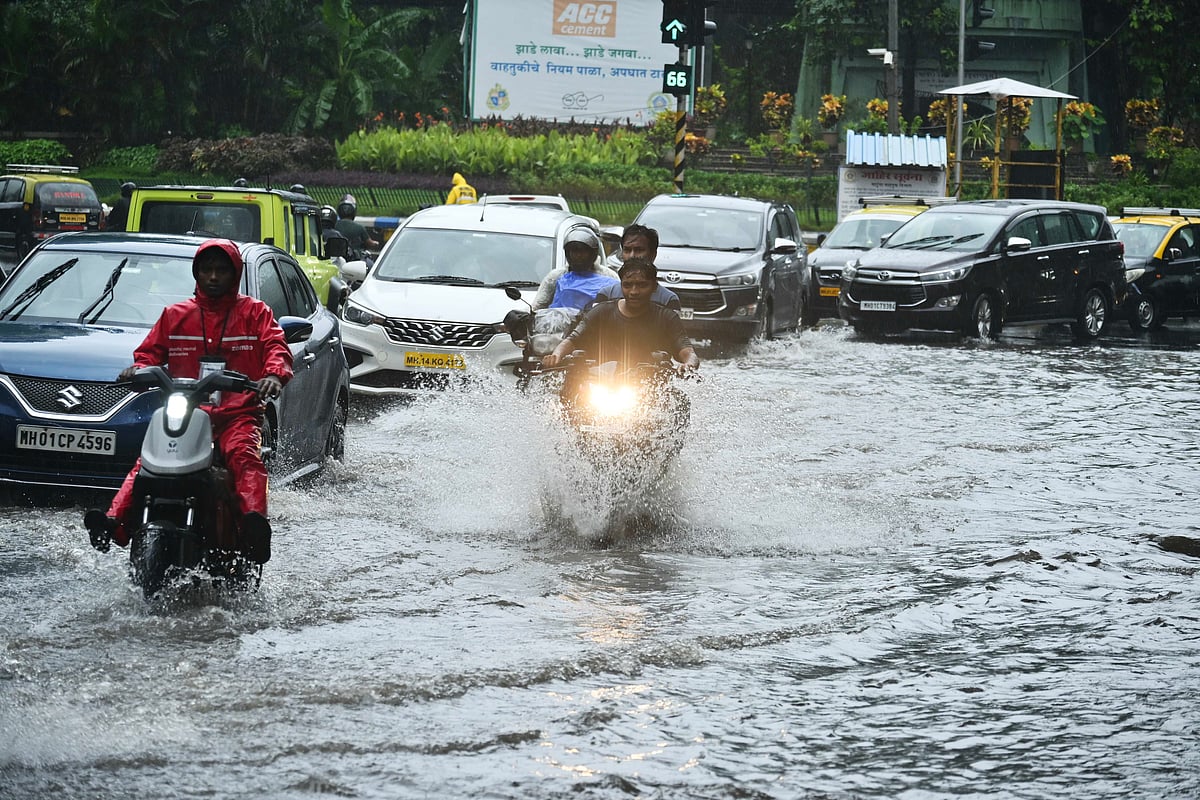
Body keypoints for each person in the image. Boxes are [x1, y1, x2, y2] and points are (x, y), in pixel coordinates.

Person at [84, 239, 293, 564]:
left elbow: (276, 347)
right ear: (196, 273)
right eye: (206, 270)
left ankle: (254, 527)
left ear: (234, 273)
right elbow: (148, 354)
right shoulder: (175, 315)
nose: (213, 277)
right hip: (189, 414)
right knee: (146, 463)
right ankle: (113, 524)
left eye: (221, 270)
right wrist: (138, 370)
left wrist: (274, 375)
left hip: (237, 416)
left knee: (245, 458)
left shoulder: (255, 313)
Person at [542, 258, 699, 375]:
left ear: (654, 287)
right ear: (621, 285)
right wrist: (556, 356)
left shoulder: (667, 317)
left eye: (642, 285)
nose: (634, 291)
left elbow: (688, 352)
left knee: (678, 402)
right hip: (601, 384)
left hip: (649, 387)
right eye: (628, 285)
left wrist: (688, 365)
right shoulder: (601, 312)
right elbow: (571, 340)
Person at [532, 227, 619, 312]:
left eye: (583, 251)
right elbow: (537, 307)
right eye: (574, 251)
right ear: (568, 253)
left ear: (592, 252)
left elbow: (619, 307)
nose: (578, 256)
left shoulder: (609, 276)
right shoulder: (556, 277)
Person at [597, 224, 682, 310]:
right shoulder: (606, 295)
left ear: (653, 254)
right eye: (627, 250)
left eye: (639, 250)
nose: (632, 256)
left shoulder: (668, 300)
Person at [334, 194, 379, 261]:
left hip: (336, 258)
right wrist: (376, 244)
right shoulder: (359, 228)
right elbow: (370, 243)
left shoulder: (333, 225)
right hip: (355, 258)